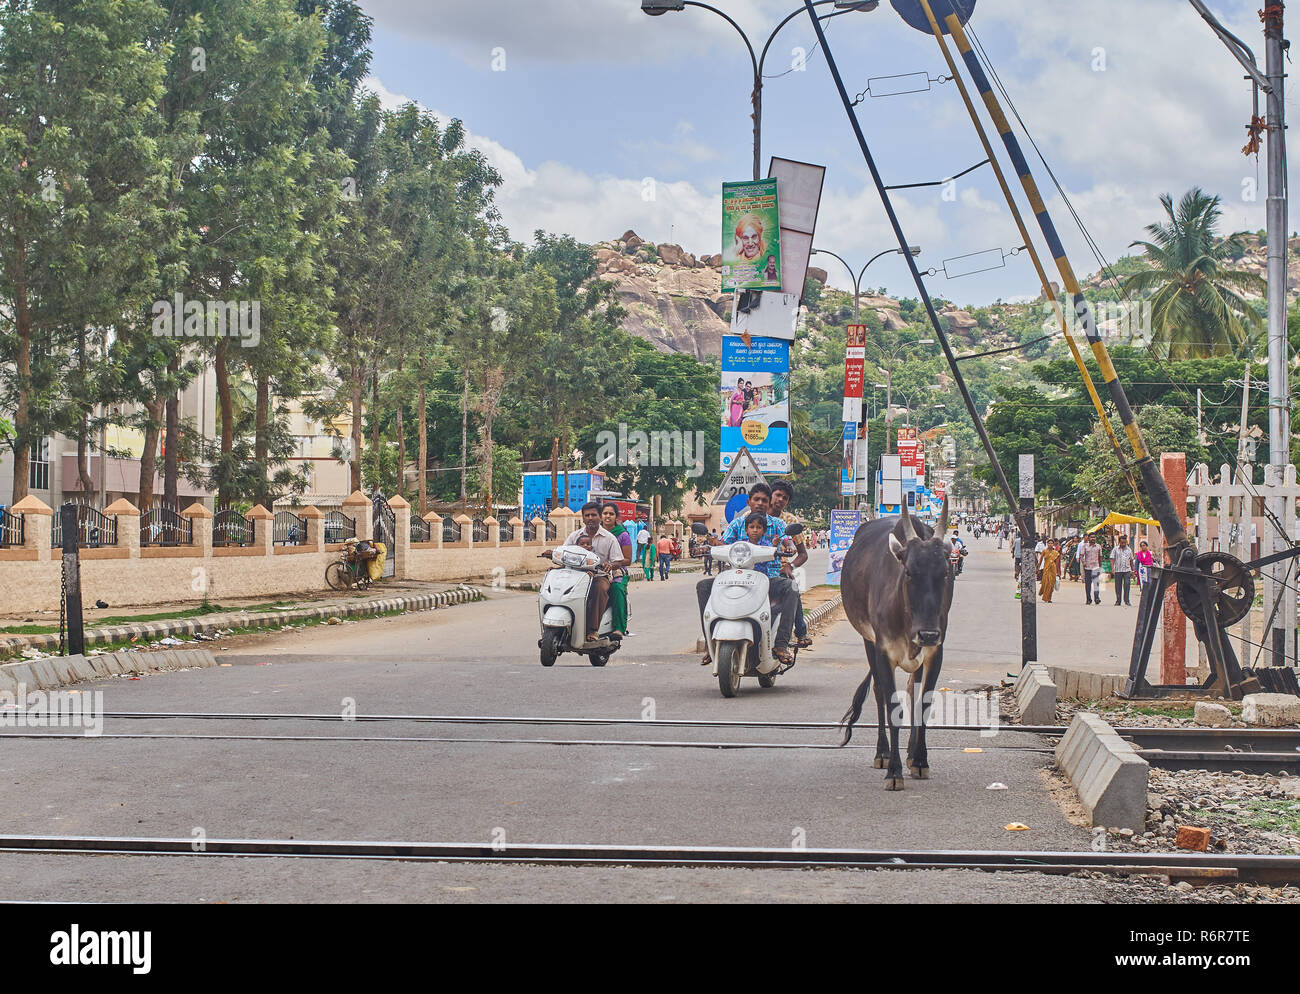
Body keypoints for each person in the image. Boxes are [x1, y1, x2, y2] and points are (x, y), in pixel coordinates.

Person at [697, 482, 793, 667]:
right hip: (736, 577)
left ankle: (781, 644)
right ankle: (710, 644)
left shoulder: (779, 524)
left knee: (791, 587)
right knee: (703, 586)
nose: (760, 503)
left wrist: (787, 547)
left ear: (769, 503)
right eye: (756, 499)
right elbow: (723, 543)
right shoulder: (738, 523)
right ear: (749, 502)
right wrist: (709, 545)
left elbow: (787, 541)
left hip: (769, 578)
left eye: (764, 500)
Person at [545, 502, 624, 645]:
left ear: (599, 517)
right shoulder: (575, 536)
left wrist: (610, 565)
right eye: (587, 515)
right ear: (582, 518)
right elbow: (563, 552)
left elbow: (618, 560)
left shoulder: (609, 538)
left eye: (593, 515)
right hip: (574, 576)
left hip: (599, 576)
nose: (590, 518)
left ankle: (593, 630)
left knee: (599, 588)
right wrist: (552, 554)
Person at [769, 480, 812, 649]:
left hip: (778, 568)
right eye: (778, 495)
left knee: (791, 587)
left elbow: (802, 553)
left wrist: (790, 566)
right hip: (752, 567)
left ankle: (800, 632)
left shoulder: (787, 521)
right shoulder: (751, 516)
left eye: (785, 498)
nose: (780, 499)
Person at [600, 502, 634, 637]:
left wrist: (612, 564)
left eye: (611, 514)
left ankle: (619, 628)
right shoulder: (595, 531)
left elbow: (628, 560)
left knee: (617, 588)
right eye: (605, 513)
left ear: (616, 517)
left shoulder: (622, 535)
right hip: (595, 569)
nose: (607, 516)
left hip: (616, 571)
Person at [1111, 533, 1135, 606]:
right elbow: (1112, 559)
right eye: (1122, 543)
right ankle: (1118, 600)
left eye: (1125, 542)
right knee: (1118, 586)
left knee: (1127, 584)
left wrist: (1132, 571)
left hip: (1127, 570)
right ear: (1119, 542)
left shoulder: (1129, 550)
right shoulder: (1115, 549)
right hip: (1118, 570)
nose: (1123, 544)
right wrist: (1112, 569)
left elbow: (1131, 560)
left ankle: (1127, 600)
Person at [1080, 533, 1103, 605]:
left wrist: (1100, 566)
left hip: (1096, 567)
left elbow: (1100, 557)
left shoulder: (1098, 546)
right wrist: (1083, 563)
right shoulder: (1085, 546)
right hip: (1087, 568)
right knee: (1088, 585)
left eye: (1094, 537)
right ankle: (1088, 599)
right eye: (1091, 537)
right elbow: (1082, 555)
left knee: (1096, 584)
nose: (1093, 538)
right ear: (1088, 538)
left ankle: (1096, 598)